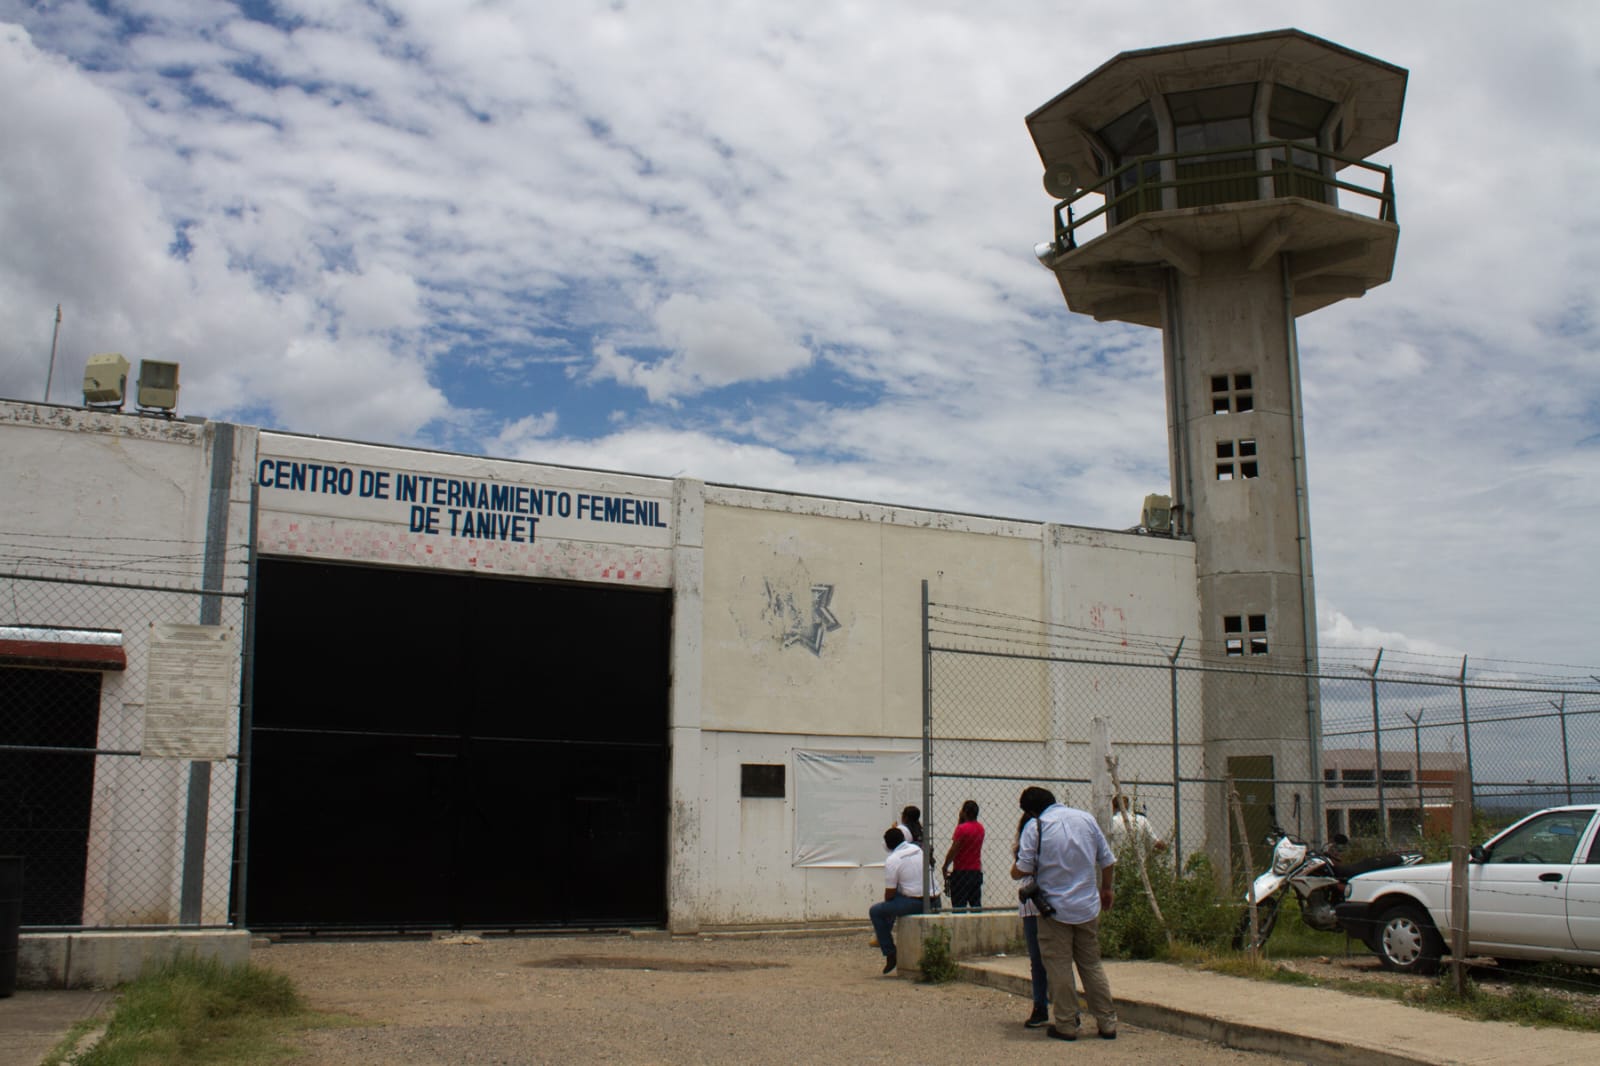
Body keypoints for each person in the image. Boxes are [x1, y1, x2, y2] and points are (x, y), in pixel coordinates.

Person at [1012, 785, 1118, 1042]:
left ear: (1031, 811)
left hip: (1054, 909)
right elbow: (1107, 860)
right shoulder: (1085, 819)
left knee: (1058, 966)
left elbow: (1022, 869)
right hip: (1087, 906)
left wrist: (1017, 870)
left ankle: (1067, 1024)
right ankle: (1107, 1022)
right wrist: (1106, 889)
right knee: (1091, 964)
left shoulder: (1036, 827)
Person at [1011, 809, 1050, 1028]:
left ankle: (1041, 1006)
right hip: (1047, 900)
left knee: (1038, 960)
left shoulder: (1028, 836)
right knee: (1055, 958)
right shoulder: (1052, 833)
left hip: (1033, 901)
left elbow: (1017, 870)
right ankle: (1065, 1009)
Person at [868, 826, 926, 974]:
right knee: (895, 901)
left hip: (915, 902)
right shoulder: (917, 850)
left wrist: (889, 904)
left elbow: (889, 893)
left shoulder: (892, 860)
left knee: (876, 911)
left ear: (888, 845)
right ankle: (883, 936)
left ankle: (890, 952)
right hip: (931, 899)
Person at [941, 800, 985, 910]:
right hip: (975, 871)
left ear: (964, 812)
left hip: (961, 872)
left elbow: (954, 849)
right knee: (976, 905)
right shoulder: (980, 828)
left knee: (959, 906)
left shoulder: (961, 829)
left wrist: (945, 865)